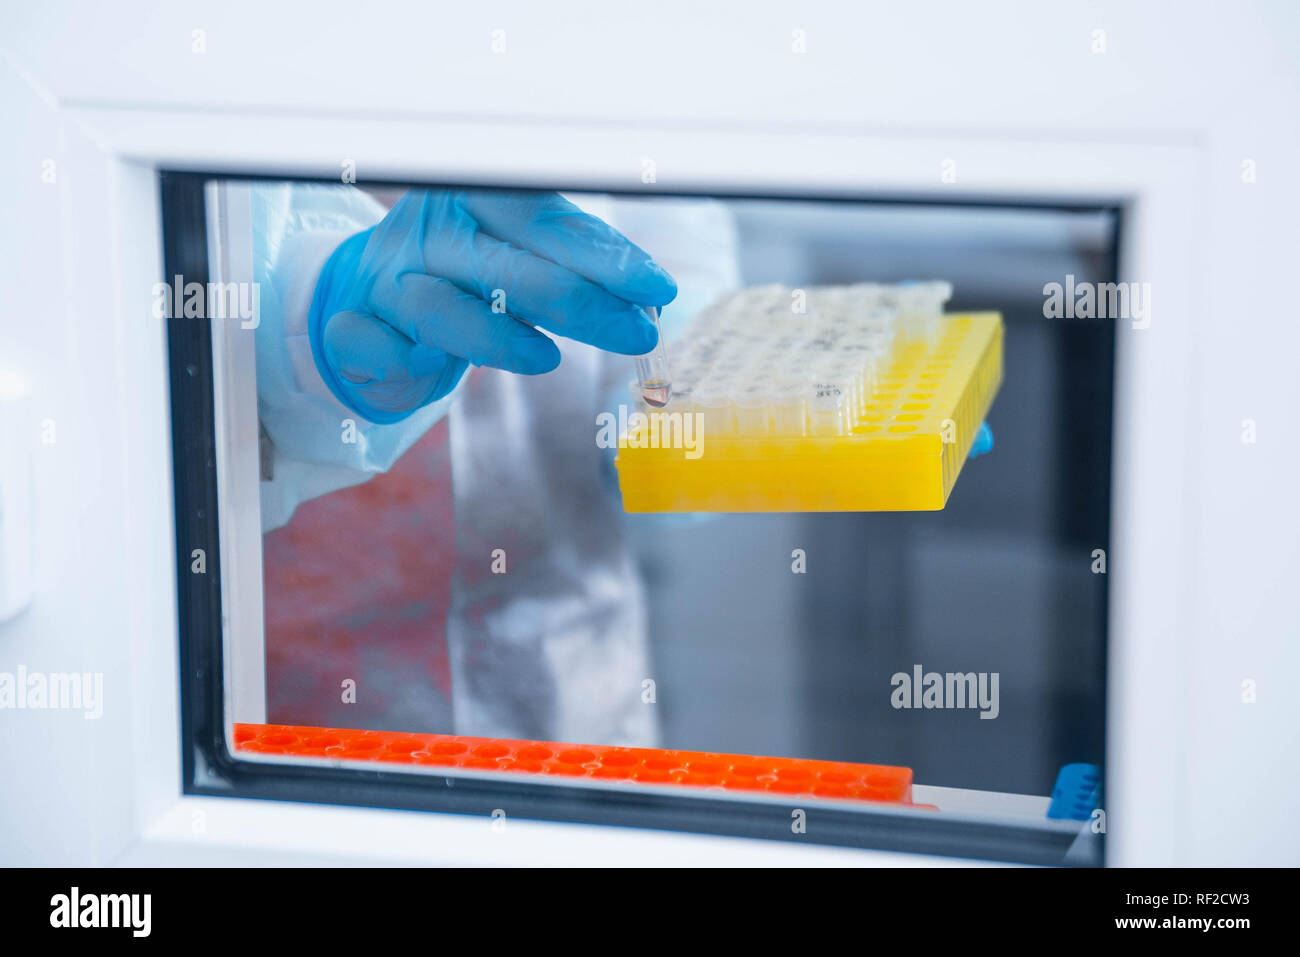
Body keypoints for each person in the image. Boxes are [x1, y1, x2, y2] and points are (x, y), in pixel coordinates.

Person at [251, 183, 992, 747]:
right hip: (296, 710)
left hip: (571, 686)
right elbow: (205, 269)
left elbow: (676, 248)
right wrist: (304, 325)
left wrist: (694, 397)